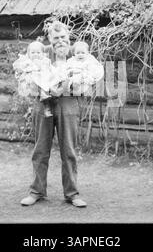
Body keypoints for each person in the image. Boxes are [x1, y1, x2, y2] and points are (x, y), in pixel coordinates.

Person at [20, 21, 104, 208]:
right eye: (56, 38)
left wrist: (74, 84)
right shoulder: (40, 52)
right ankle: (36, 192)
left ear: (69, 37)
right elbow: (24, 73)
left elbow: (96, 72)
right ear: (50, 39)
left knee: (69, 150)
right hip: (43, 103)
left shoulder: (79, 52)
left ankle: (72, 194)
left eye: (63, 37)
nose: (60, 41)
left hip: (68, 103)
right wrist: (35, 83)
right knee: (40, 150)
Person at [12, 41, 63, 117]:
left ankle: (52, 100)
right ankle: (46, 108)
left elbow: (51, 69)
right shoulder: (27, 62)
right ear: (29, 54)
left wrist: (56, 74)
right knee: (41, 95)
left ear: (43, 54)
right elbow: (19, 69)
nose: (36, 55)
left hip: (43, 80)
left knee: (52, 86)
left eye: (38, 53)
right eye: (33, 53)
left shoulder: (45, 61)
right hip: (33, 81)